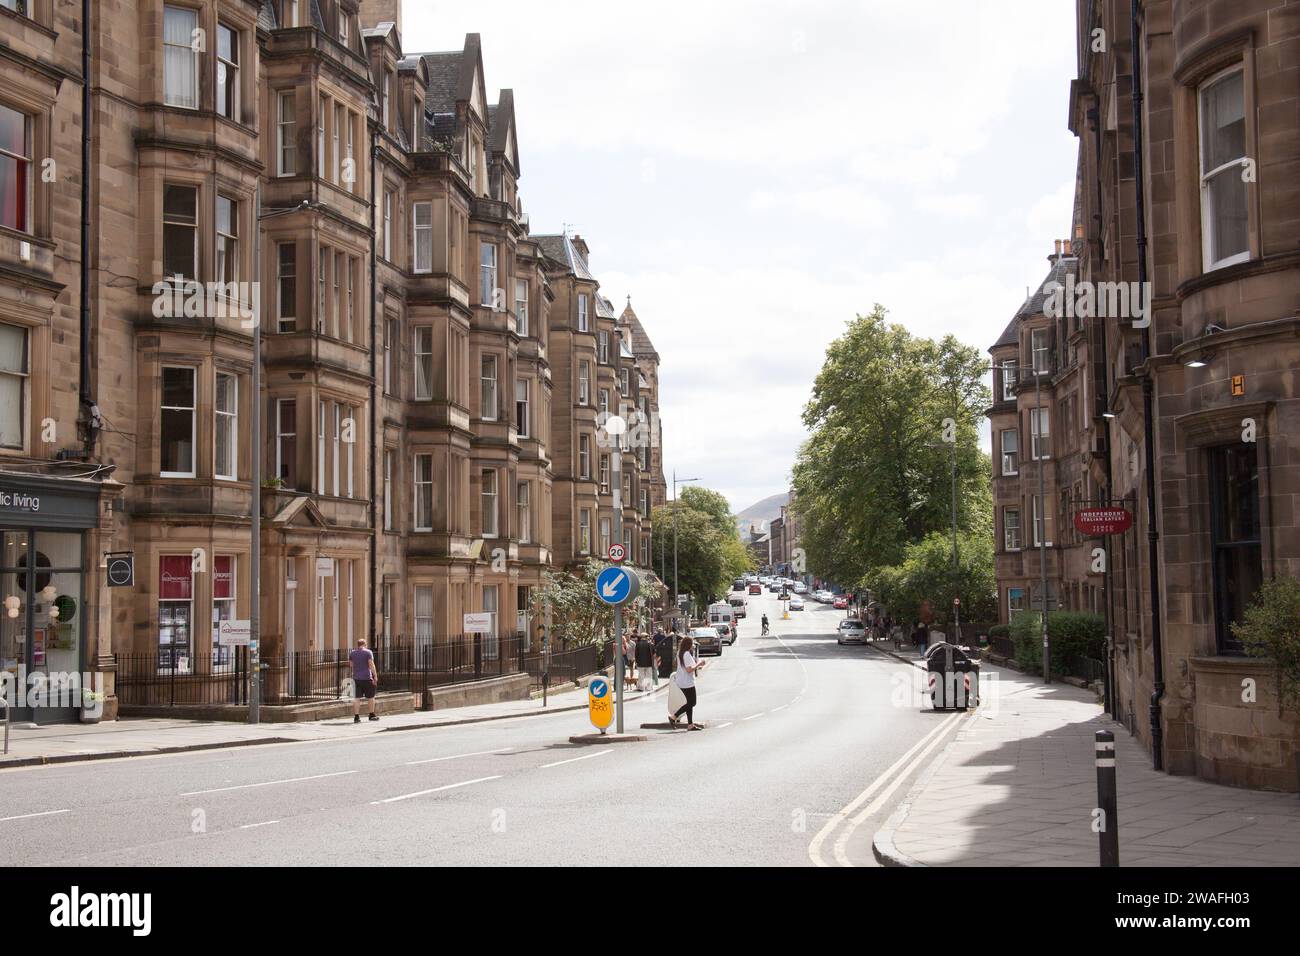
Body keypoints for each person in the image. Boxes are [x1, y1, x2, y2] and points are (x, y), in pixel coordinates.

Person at [670, 635, 705, 730]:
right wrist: (699, 663)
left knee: (689, 702)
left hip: (681, 681)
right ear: (688, 644)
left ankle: (690, 725)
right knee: (692, 703)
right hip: (687, 682)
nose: (693, 645)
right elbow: (689, 669)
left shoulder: (680, 653)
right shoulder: (686, 654)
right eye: (692, 644)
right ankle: (674, 716)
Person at [348, 637, 379, 723]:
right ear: (365, 644)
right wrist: (375, 676)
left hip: (356, 678)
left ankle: (356, 717)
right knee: (371, 697)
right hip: (366, 678)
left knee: (357, 698)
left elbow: (351, 665)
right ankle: (371, 715)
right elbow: (371, 665)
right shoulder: (368, 652)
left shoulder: (352, 653)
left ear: (358, 645)